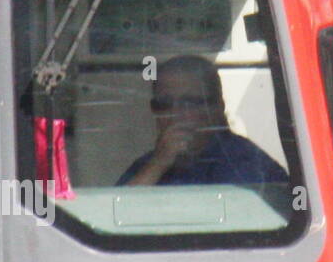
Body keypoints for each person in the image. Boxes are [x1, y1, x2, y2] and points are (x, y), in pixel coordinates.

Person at [118, 54, 289, 186]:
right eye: (164, 104)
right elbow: (114, 215)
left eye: (190, 103)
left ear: (216, 107)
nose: (176, 113)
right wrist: (158, 164)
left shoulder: (245, 162)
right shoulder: (148, 164)